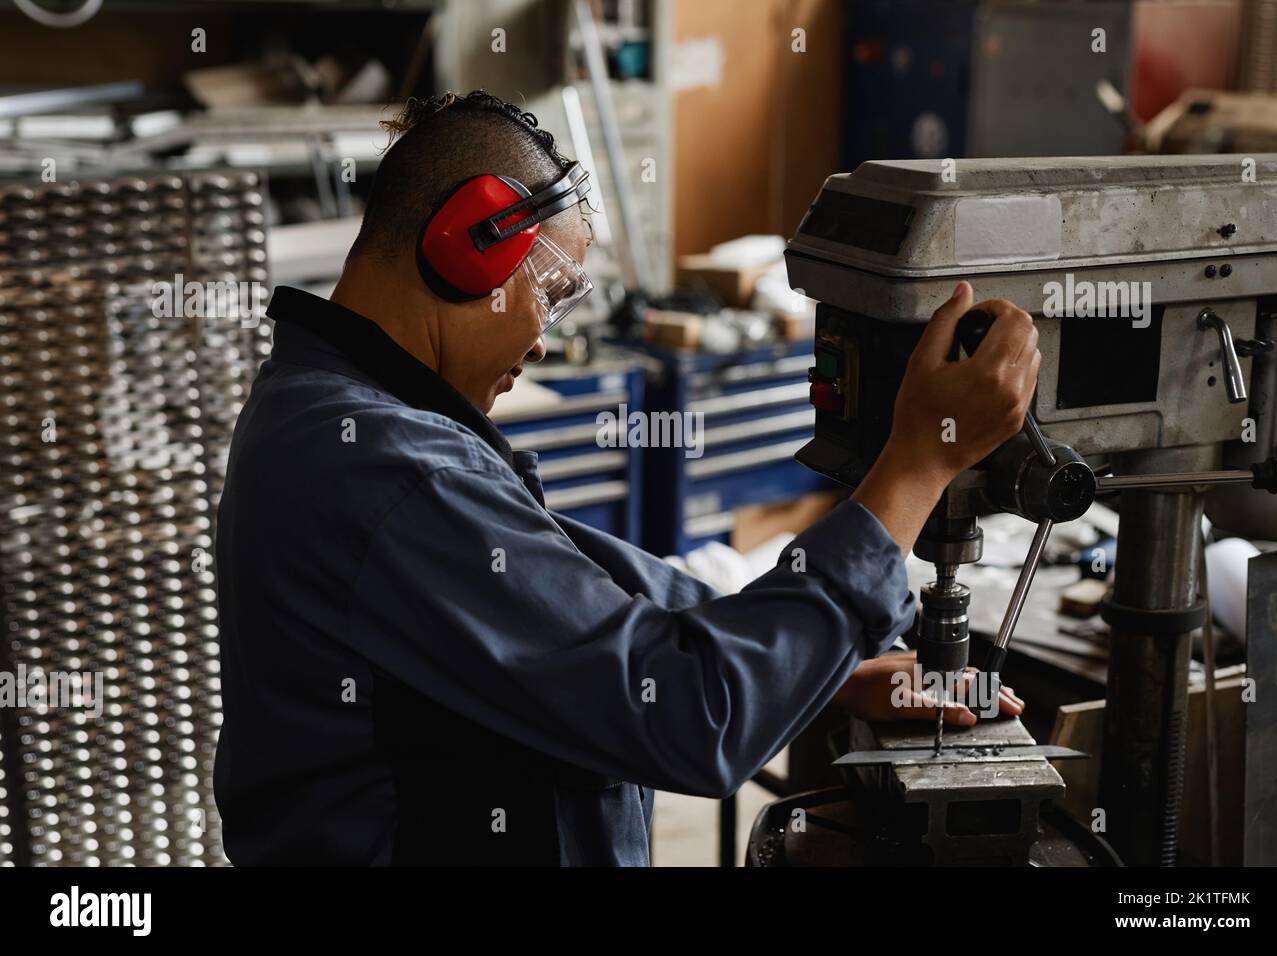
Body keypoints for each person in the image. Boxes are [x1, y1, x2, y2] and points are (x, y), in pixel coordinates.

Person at [213, 90, 1038, 865]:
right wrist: (920, 462)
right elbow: (690, 715)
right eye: (551, 295)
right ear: (465, 246)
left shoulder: (341, 410)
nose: (541, 343)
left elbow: (581, 592)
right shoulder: (379, 467)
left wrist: (830, 673)